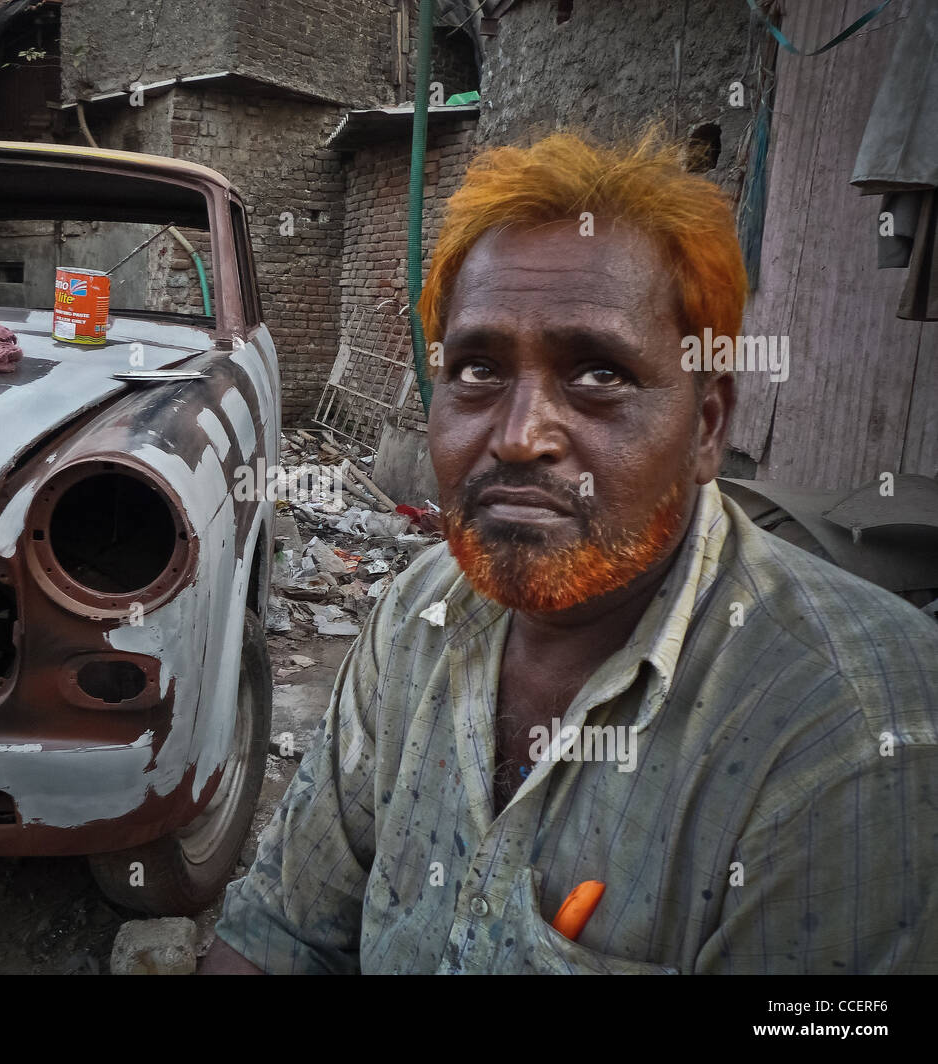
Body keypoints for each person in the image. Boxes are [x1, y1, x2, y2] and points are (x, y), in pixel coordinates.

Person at [204, 129, 938, 974]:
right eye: (478, 370)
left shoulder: (851, 735)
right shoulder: (417, 611)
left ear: (706, 428)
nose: (518, 438)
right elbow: (284, 930)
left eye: (598, 374)